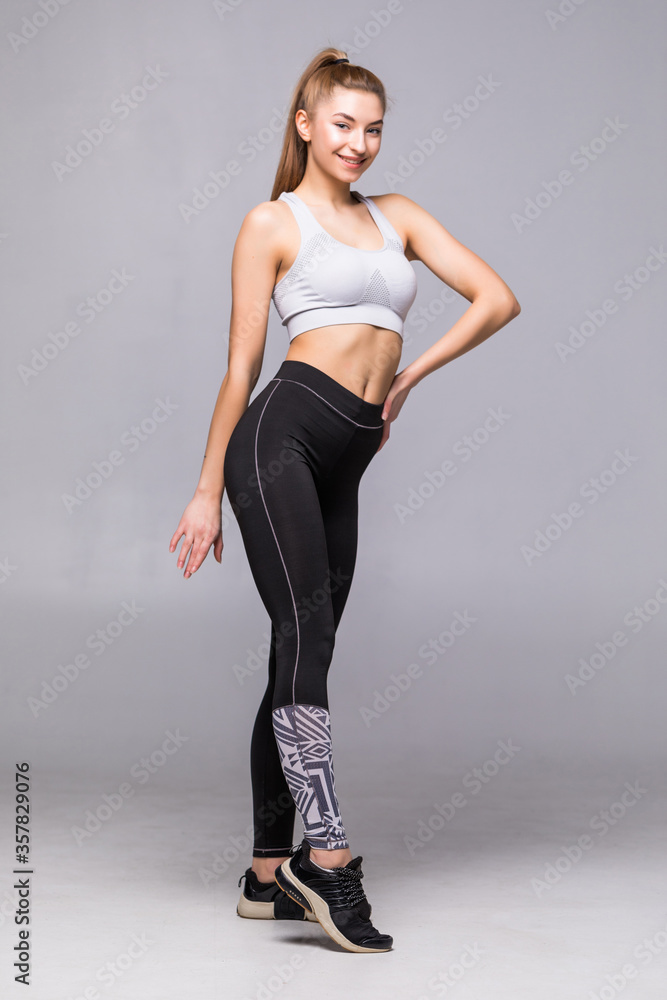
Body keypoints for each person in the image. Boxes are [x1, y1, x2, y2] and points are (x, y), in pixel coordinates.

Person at [169, 47, 520, 954]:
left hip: (346, 455)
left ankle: (261, 877)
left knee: (303, 645)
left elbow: (495, 298)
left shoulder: (396, 215)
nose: (359, 143)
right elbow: (241, 366)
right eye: (342, 125)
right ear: (304, 124)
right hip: (278, 436)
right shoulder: (271, 222)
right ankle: (325, 860)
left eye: (372, 129)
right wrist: (207, 488)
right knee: (304, 640)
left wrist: (406, 380)